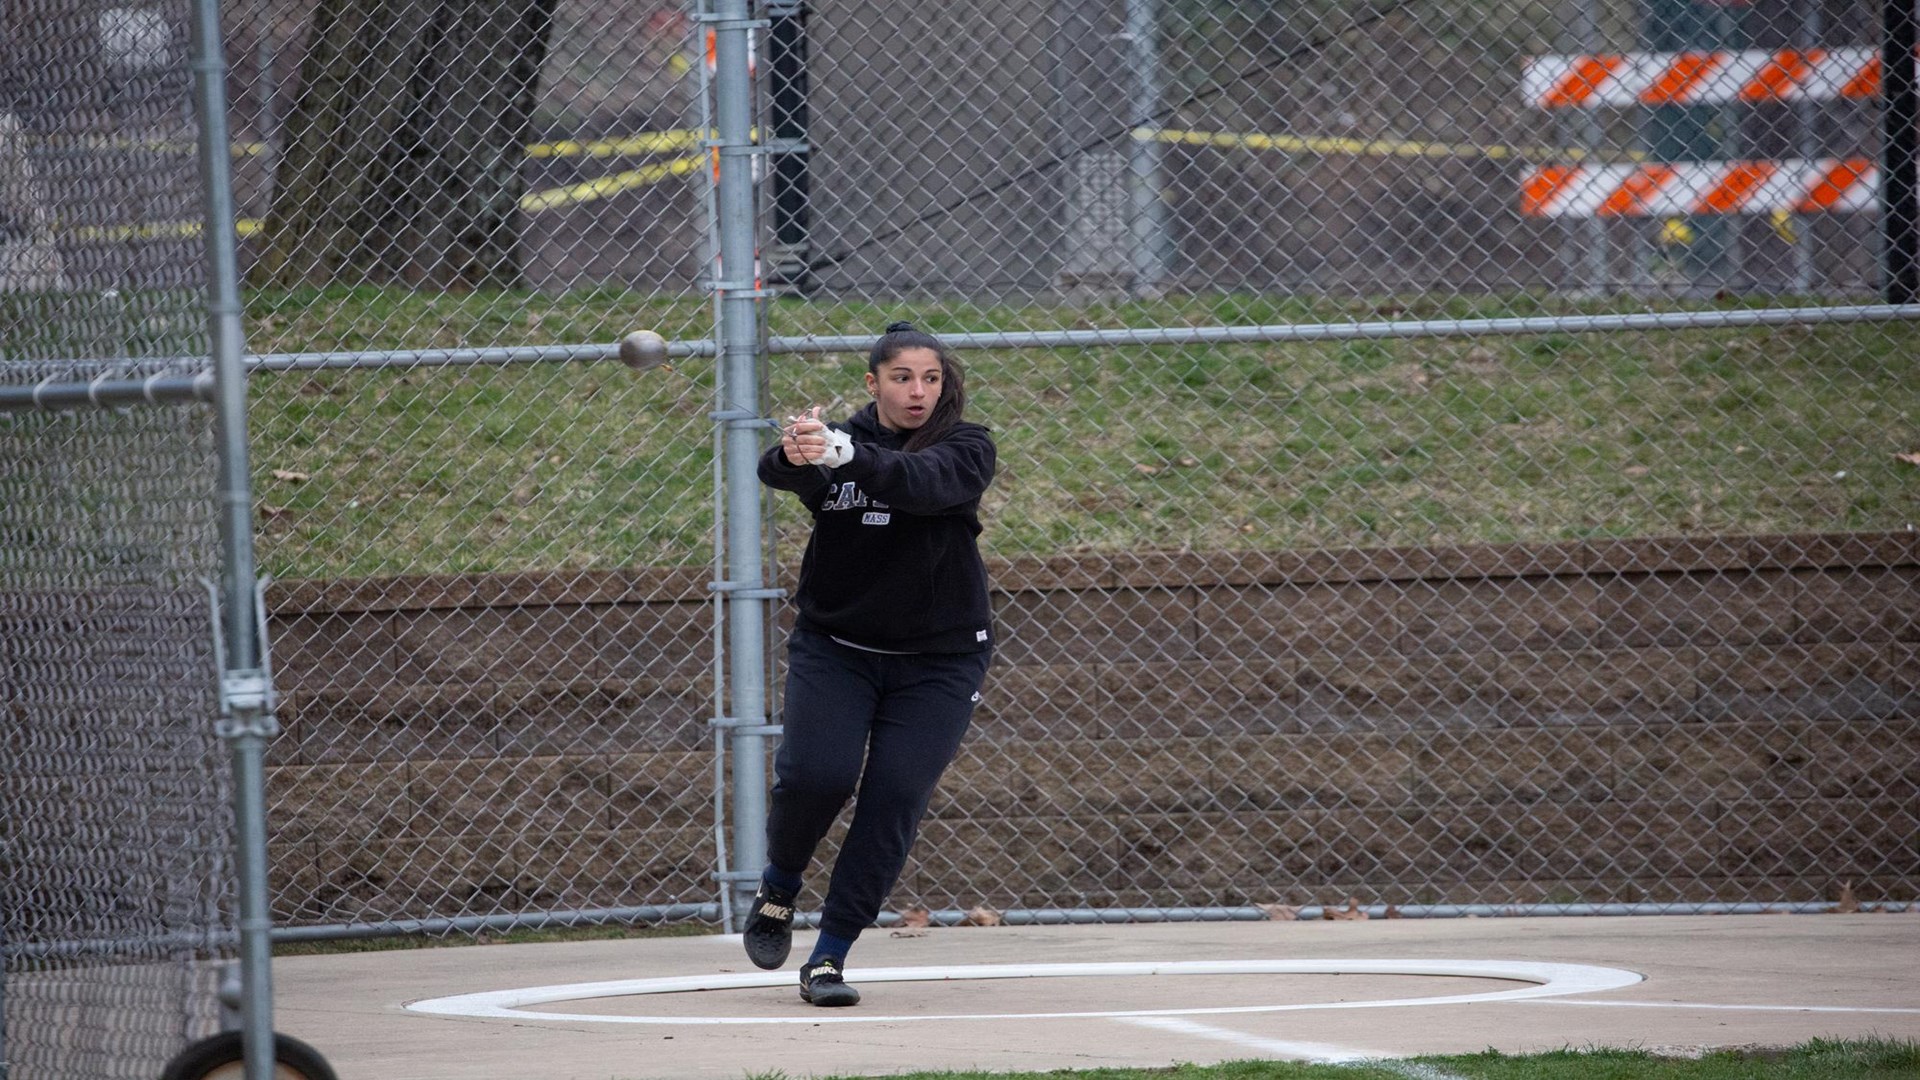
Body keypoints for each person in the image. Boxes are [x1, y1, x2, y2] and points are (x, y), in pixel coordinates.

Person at [743, 321, 997, 1007]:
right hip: (838, 649)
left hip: (940, 664)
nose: (918, 392)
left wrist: (843, 453)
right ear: (873, 383)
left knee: (892, 800)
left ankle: (828, 957)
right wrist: (801, 453)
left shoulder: (965, 447)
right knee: (814, 777)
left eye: (931, 378)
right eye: (902, 378)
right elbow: (773, 471)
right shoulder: (842, 445)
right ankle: (780, 885)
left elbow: (916, 483)